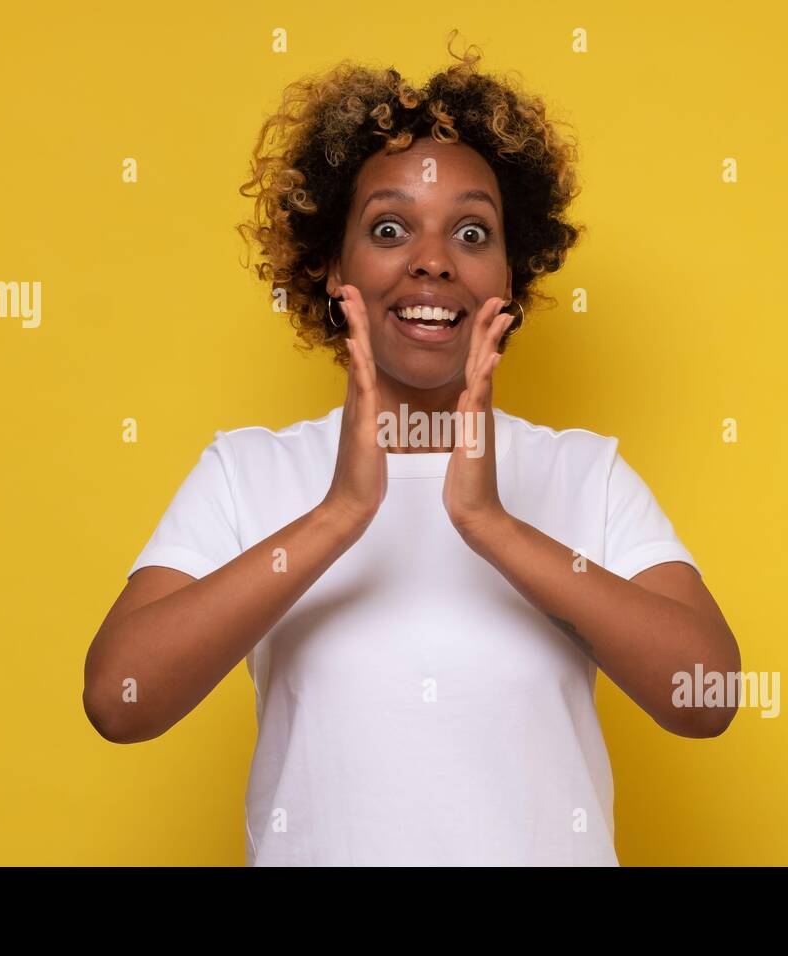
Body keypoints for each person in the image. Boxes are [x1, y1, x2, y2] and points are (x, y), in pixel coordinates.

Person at [83, 31, 740, 866]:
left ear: (511, 272)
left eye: (472, 234)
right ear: (332, 265)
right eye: (391, 228)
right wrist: (344, 512)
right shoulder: (248, 472)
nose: (433, 263)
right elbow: (118, 698)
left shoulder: (586, 474)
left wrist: (490, 524)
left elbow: (708, 695)